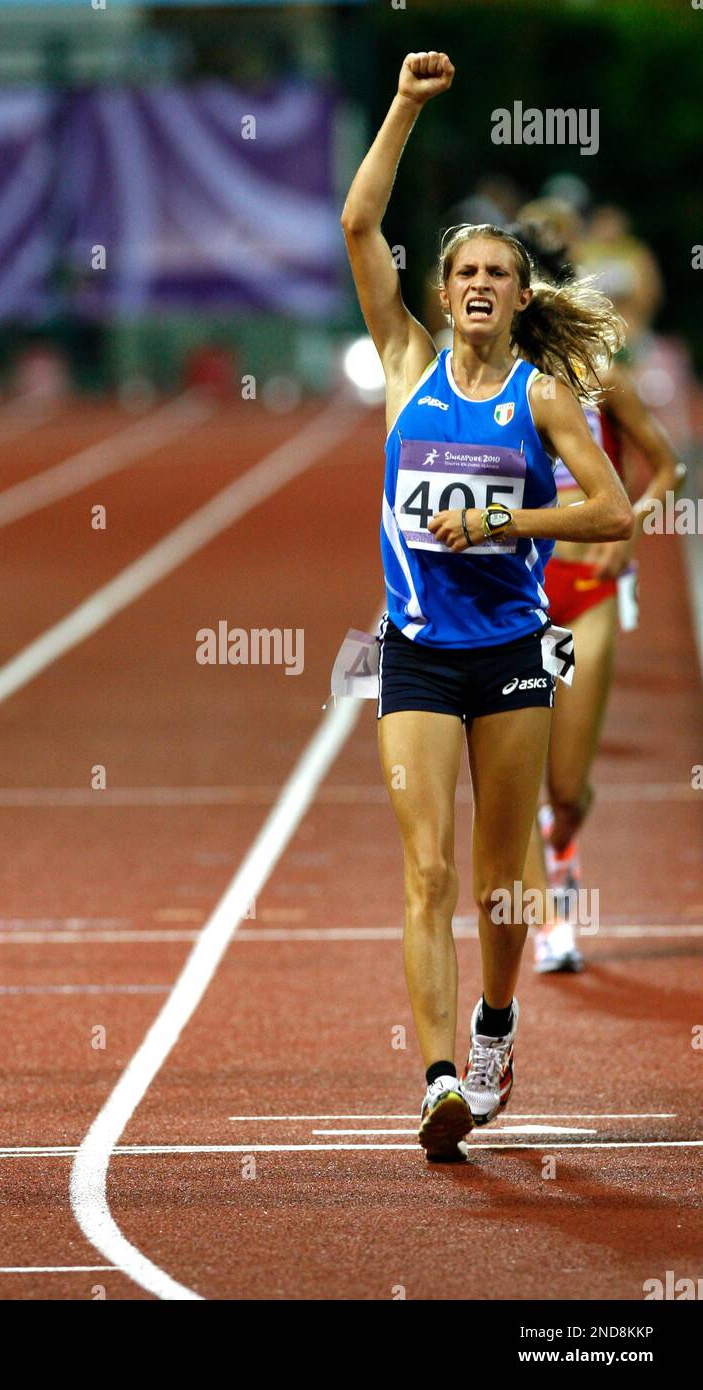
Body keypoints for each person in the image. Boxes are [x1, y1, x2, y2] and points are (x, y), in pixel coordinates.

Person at [340, 51, 634, 1160]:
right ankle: (437, 1081)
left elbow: (608, 512)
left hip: (511, 649)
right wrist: (406, 106)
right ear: (442, 288)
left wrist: (502, 524)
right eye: (458, 268)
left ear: (517, 296)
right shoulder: (404, 361)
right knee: (427, 871)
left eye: (491, 274)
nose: (471, 283)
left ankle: (497, 1022)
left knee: (503, 885)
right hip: (414, 652)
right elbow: (359, 224)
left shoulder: (541, 394)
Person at [511, 219, 684, 973]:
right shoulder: (483, 385)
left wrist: (627, 529)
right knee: (513, 776)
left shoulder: (596, 372)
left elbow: (667, 469)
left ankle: (564, 842)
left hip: (586, 586)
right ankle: (551, 919)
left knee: (566, 784)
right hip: (512, 593)